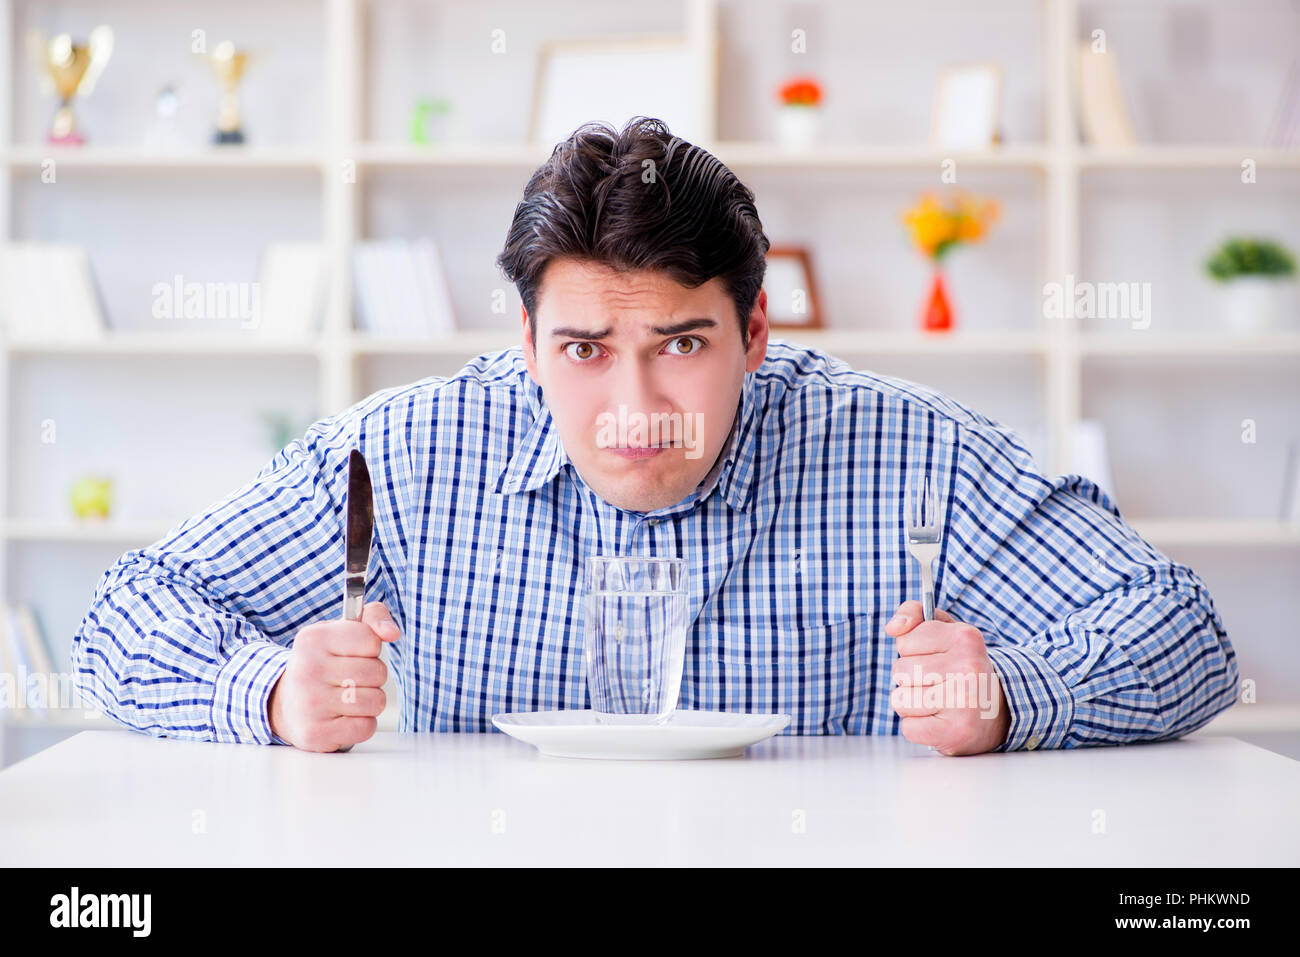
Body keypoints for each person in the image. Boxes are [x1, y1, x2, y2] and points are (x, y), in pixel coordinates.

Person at [73, 117, 1239, 755]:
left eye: (681, 344)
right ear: (527, 342)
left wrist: (1011, 698)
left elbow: (1187, 635)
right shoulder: (411, 456)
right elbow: (124, 617)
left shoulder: (907, 453)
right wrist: (269, 692)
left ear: (757, 331)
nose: (631, 403)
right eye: (583, 351)